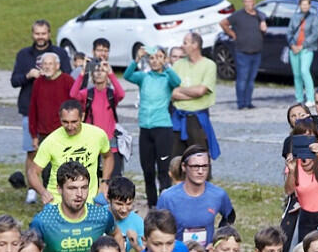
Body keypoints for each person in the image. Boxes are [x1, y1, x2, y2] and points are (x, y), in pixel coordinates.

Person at [11, 19, 72, 204]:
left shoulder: (60, 54)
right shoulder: (24, 55)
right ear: (32, 34)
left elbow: (68, 77)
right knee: (33, 151)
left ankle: (60, 188)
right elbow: (14, 81)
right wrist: (28, 75)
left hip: (57, 114)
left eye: (43, 33)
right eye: (37, 33)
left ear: (49, 33)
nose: (40, 37)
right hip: (31, 108)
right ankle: (33, 188)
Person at [124, 45, 181, 205]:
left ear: (164, 59)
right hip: (145, 129)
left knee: (163, 170)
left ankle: (164, 204)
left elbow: (177, 82)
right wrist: (137, 58)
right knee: (148, 171)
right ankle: (152, 204)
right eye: (152, 58)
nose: (155, 61)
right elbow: (128, 75)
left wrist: (167, 66)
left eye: (159, 57)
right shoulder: (144, 77)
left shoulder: (167, 78)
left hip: (162, 128)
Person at [28, 100, 111, 205]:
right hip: (58, 201)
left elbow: (108, 156)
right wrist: (43, 192)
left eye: (74, 122)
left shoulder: (98, 135)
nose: (70, 126)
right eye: (65, 122)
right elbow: (32, 172)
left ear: (82, 117)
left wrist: (104, 182)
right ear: (60, 119)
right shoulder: (51, 141)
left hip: (88, 200)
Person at [157, 146, 235, 252]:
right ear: (184, 167)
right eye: (195, 166)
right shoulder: (168, 197)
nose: (200, 171)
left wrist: (218, 241)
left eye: (205, 166)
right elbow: (156, 229)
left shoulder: (218, 195)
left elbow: (230, 216)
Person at [282, 116, 318, 245]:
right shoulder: (294, 162)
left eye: (309, 137)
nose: (306, 142)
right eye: (301, 137)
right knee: (306, 250)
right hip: (306, 216)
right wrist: (291, 170)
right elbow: (289, 190)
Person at [71, 57, 125, 178]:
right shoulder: (88, 93)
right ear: (92, 75)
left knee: (113, 177)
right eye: (96, 70)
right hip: (91, 140)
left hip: (109, 139)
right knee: (91, 177)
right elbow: (73, 94)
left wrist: (111, 73)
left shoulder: (111, 94)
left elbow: (121, 94)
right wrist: (82, 72)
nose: (99, 73)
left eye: (102, 70)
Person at [171, 33, 220, 160]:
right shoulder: (178, 65)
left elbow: (201, 91)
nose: (182, 46)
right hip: (178, 117)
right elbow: (171, 93)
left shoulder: (209, 65)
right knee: (175, 159)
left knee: (199, 158)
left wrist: (181, 90)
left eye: (185, 43)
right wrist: (192, 93)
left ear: (195, 45)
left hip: (197, 118)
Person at [220, 0, 268, 109]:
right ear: (243, 3)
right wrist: (232, 34)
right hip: (242, 52)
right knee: (242, 79)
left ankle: (248, 102)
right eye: (246, 1)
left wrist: (263, 27)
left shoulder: (259, 15)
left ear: (254, 1)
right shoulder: (238, 15)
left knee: (251, 79)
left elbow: (264, 27)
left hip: (256, 51)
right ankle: (241, 103)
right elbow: (223, 23)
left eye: (250, 1)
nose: (248, 4)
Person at [28, 53, 74, 152]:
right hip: (43, 134)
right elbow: (33, 109)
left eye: (50, 64)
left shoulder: (68, 81)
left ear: (57, 65)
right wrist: (34, 135)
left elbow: (75, 107)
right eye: (45, 64)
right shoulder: (38, 82)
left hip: (64, 132)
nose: (47, 67)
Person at [288, 0, 318, 107]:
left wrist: (302, 46)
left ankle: (311, 98)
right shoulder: (294, 17)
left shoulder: (314, 18)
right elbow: (289, 32)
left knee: (304, 71)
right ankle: (299, 98)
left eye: (307, 4)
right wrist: (292, 45)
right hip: (294, 48)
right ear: (299, 5)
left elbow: (314, 35)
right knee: (297, 74)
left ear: (310, 6)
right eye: (303, 4)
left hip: (307, 48)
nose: (305, 6)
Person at [107, 176, 144, 252]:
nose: (124, 210)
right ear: (109, 200)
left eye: (129, 204)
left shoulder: (137, 222)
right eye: (119, 204)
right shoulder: (99, 216)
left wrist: (136, 245)